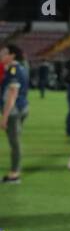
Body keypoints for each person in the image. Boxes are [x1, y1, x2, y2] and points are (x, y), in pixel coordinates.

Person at [1, 44, 31, 184]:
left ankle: (14, 174)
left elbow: (12, 94)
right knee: (15, 140)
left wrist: (5, 117)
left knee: (15, 142)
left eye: (4, 53)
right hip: (23, 107)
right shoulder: (20, 67)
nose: (1, 55)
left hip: (14, 110)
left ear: (12, 55)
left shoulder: (13, 70)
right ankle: (15, 171)